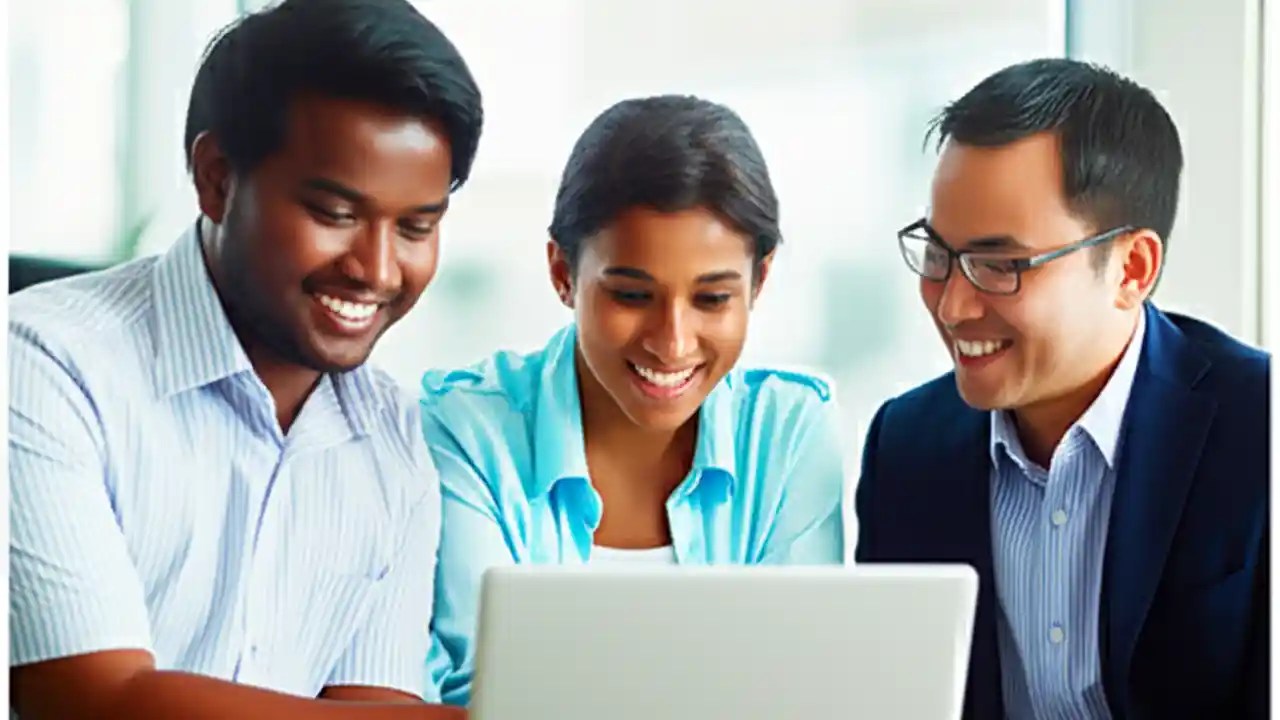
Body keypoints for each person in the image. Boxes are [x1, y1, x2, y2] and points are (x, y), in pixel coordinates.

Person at [8, 1, 482, 718]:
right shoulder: (44, 364)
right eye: (336, 215)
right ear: (217, 179)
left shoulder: (391, 437)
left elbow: (372, 706)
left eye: (416, 226)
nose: (377, 269)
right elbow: (90, 700)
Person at [855, 58, 1268, 719]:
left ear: (1131, 269)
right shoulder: (905, 448)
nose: (953, 305)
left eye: (999, 266)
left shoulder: (1258, 428)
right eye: (938, 255)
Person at [421, 94, 847, 706]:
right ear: (562, 272)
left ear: (761, 279)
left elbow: (802, 685)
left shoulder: (789, 430)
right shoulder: (467, 431)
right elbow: (477, 695)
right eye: (631, 295)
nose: (672, 342)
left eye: (712, 300)